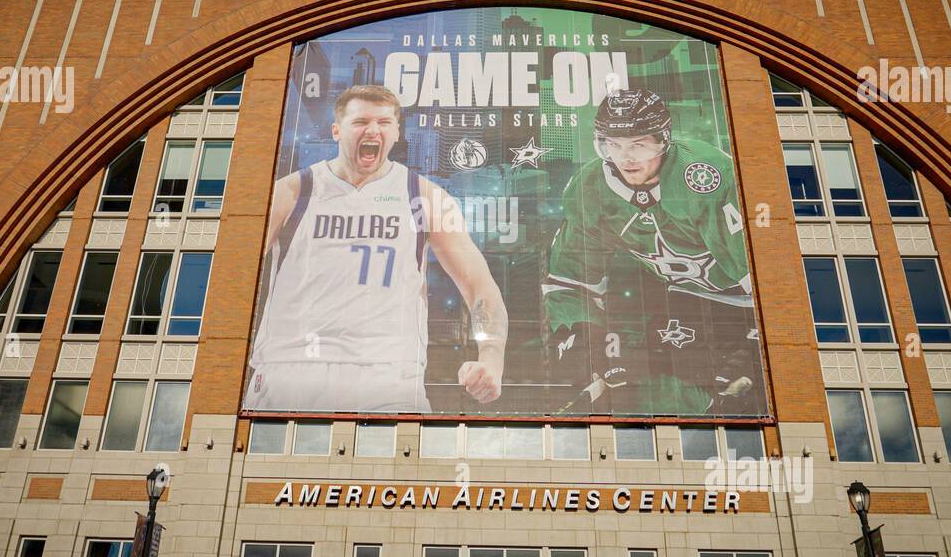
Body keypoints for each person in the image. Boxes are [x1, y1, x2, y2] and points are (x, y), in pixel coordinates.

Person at [246, 84, 507, 412]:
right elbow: (235, 274)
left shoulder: (424, 197)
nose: (373, 130)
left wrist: (491, 359)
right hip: (289, 372)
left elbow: (480, 286)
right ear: (337, 130)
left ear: (397, 132)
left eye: (384, 123)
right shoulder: (293, 191)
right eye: (360, 122)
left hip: (388, 379)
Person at [542, 87, 764, 416]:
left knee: (739, 396)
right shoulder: (590, 188)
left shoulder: (700, 177)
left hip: (742, 302)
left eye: (639, 144)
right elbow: (570, 280)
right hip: (676, 300)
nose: (626, 157)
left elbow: (760, 274)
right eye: (613, 145)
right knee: (660, 395)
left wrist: (758, 341)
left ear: (663, 140)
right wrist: (582, 333)